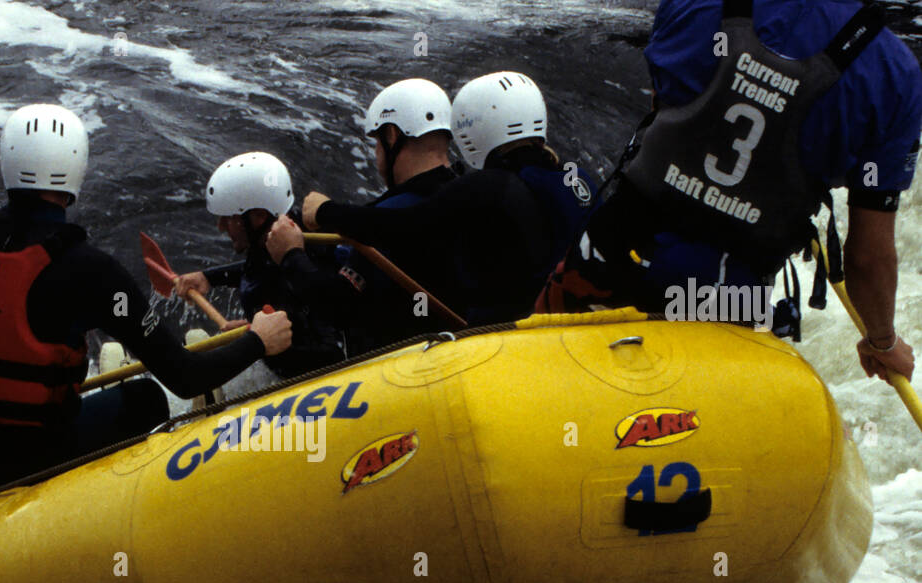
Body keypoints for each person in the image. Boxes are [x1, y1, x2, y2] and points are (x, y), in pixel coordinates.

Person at [0, 104, 292, 498]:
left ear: (6, 163)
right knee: (146, 399)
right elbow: (185, 378)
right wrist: (259, 339)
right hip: (34, 464)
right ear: (76, 169)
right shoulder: (89, 269)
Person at [536, 0, 919, 382]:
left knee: (549, 383)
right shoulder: (894, 74)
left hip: (616, 254)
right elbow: (868, 258)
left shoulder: (695, 4)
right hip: (732, 296)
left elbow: (662, 104)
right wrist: (883, 341)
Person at [302, 71, 599, 325]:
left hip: (506, 341)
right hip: (575, 326)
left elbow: (401, 227)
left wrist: (325, 211)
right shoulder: (576, 180)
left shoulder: (487, 187)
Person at [263, 79, 461, 354]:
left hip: (408, 367)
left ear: (392, 136)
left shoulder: (389, 216)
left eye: (377, 145)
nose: (378, 156)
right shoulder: (472, 194)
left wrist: (290, 255)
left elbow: (337, 305)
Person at [173, 151, 346, 377]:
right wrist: (209, 277)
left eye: (228, 217)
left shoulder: (307, 258)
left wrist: (254, 340)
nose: (221, 226)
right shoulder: (273, 243)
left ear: (258, 216)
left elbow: (329, 352)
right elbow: (263, 270)